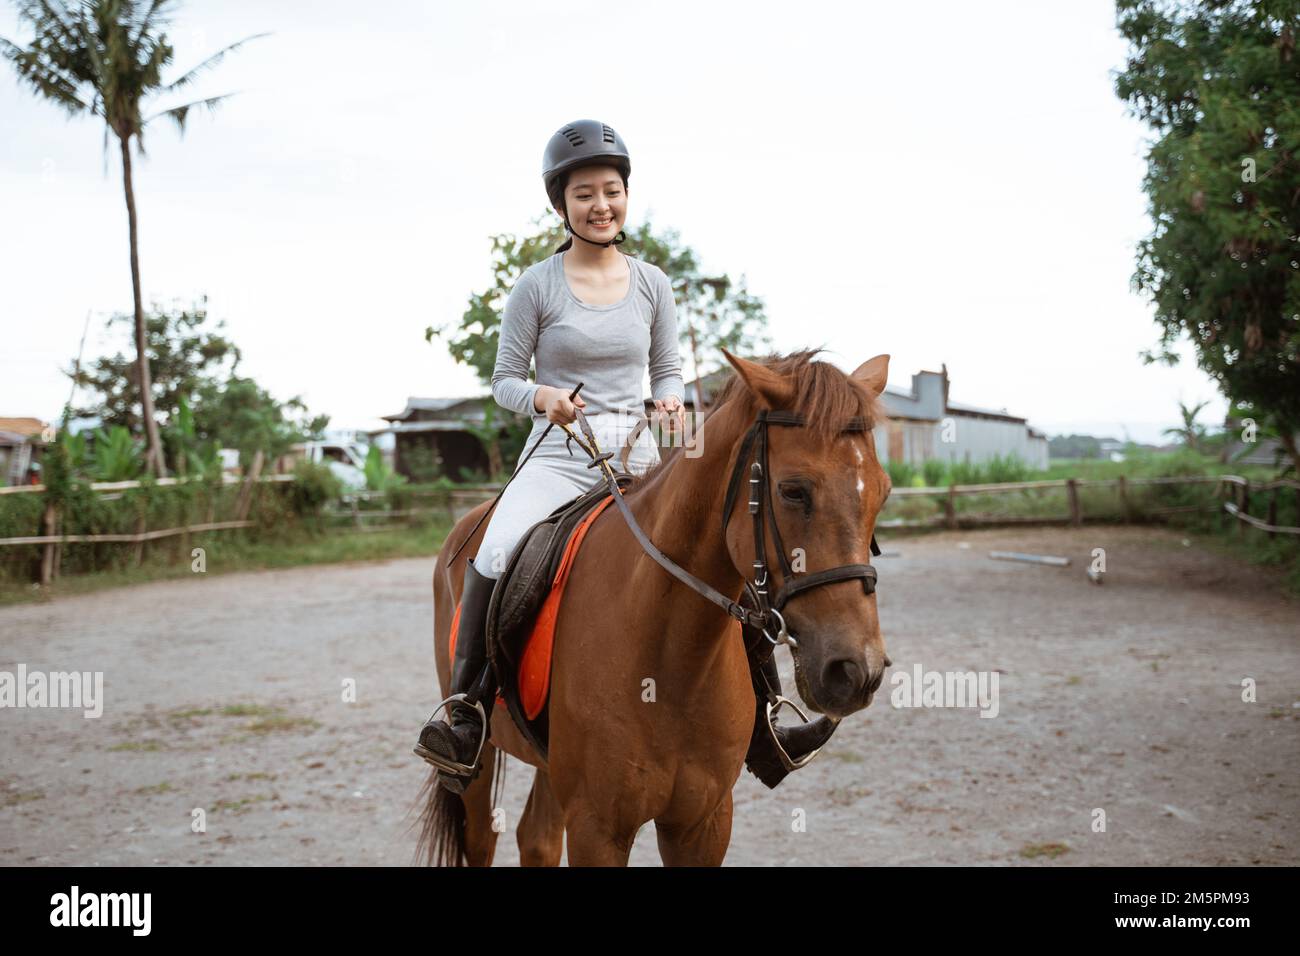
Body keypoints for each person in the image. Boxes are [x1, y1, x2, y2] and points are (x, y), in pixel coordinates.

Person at [415, 118, 836, 793]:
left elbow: (666, 370)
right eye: (584, 194)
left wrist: (670, 402)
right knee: (493, 554)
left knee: (727, 555)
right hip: (558, 455)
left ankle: (766, 722)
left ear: (625, 197)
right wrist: (544, 397)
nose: (600, 204)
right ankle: (466, 712)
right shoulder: (536, 286)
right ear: (561, 205)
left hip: (640, 455)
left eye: (611, 190)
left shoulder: (652, 284)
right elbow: (502, 383)